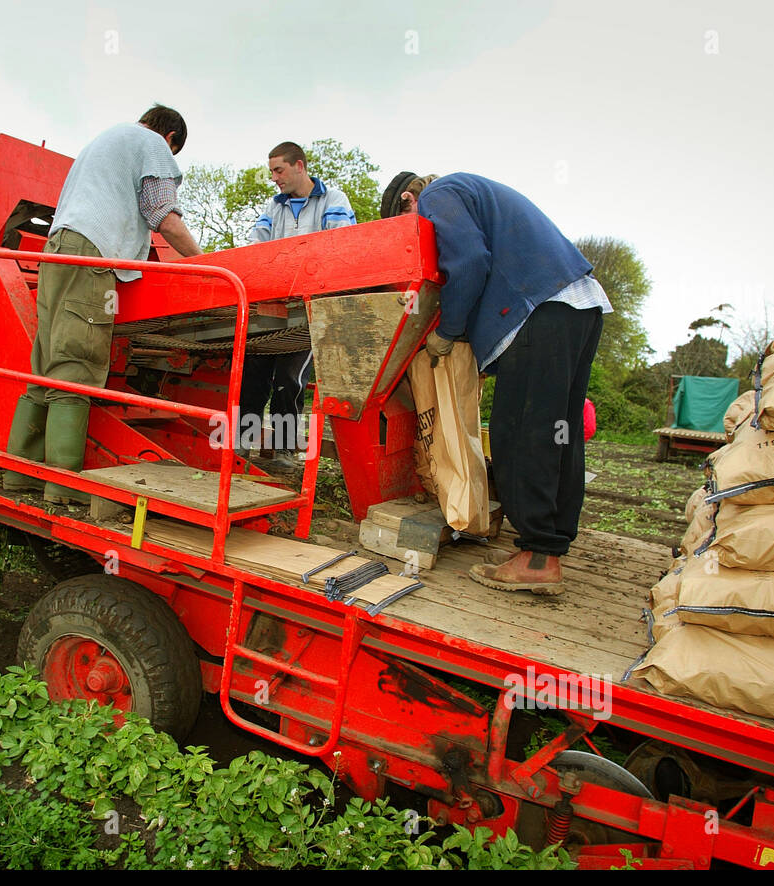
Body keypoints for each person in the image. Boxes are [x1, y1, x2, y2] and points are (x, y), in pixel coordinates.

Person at [385, 171, 612, 596]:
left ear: (409, 199)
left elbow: (469, 261)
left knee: (520, 432)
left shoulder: (439, 193)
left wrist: (448, 331)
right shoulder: (476, 194)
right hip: (575, 306)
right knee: (559, 432)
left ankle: (540, 558)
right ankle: (544, 548)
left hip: (540, 309)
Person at [4, 104, 203, 502]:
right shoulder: (152, 145)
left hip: (58, 251)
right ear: (171, 139)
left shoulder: (105, 140)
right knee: (78, 358)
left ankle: (20, 472)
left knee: (47, 358)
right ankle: (63, 483)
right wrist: (206, 264)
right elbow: (161, 213)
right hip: (92, 253)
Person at [239, 142, 357, 471]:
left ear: (299, 166)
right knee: (252, 376)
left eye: (279, 170)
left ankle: (285, 449)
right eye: (272, 171)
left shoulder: (333, 200)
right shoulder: (273, 207)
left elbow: (338, 249)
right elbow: (256, 249)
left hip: (310, 310)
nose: (274, 178)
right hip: (272, 308)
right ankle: (241, 444)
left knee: (290, 379)